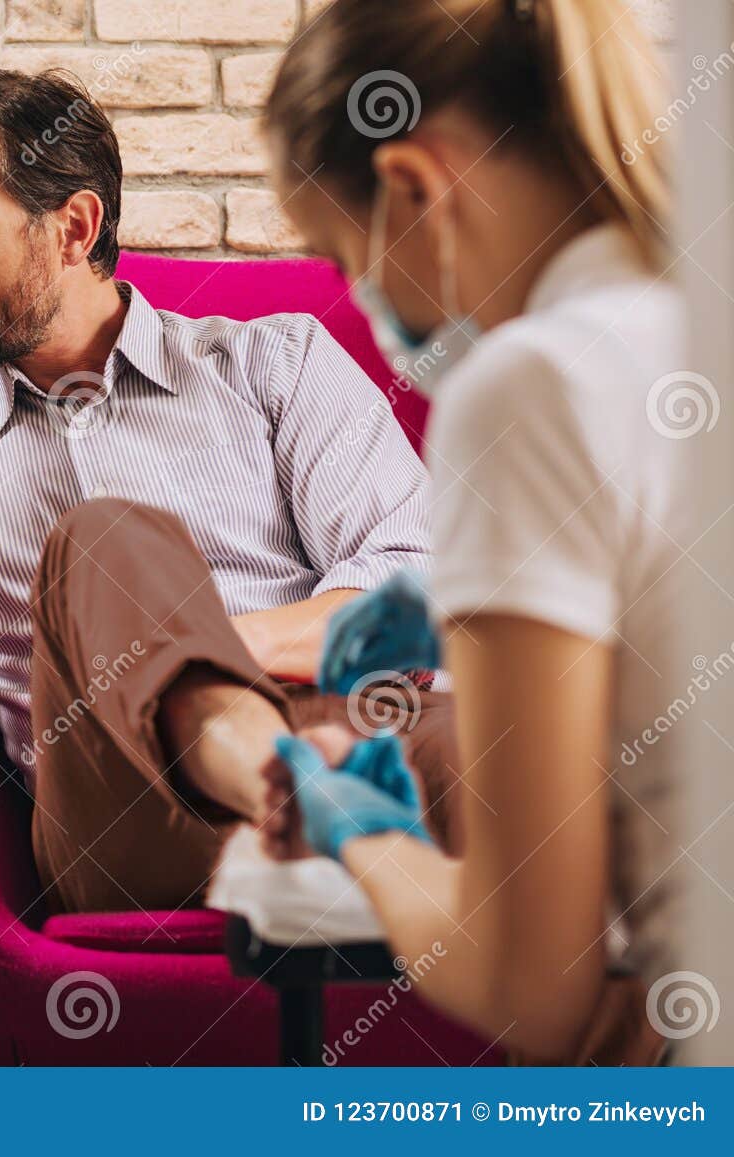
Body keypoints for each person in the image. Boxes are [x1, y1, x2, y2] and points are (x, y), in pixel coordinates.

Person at [0, 67, 462, 916]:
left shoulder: (278, 364)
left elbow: (418, 585)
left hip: (349, 746)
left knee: (558, 743)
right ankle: (298, 803)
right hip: (128, 824)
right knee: (104, 545)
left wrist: (161, 650)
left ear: (74, 229)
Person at [257, 0, 681, 1064]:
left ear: (410, 187)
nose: (362, 299)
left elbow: (527, 985)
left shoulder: (527, 385)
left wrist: (368, 837)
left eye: (338, 253)